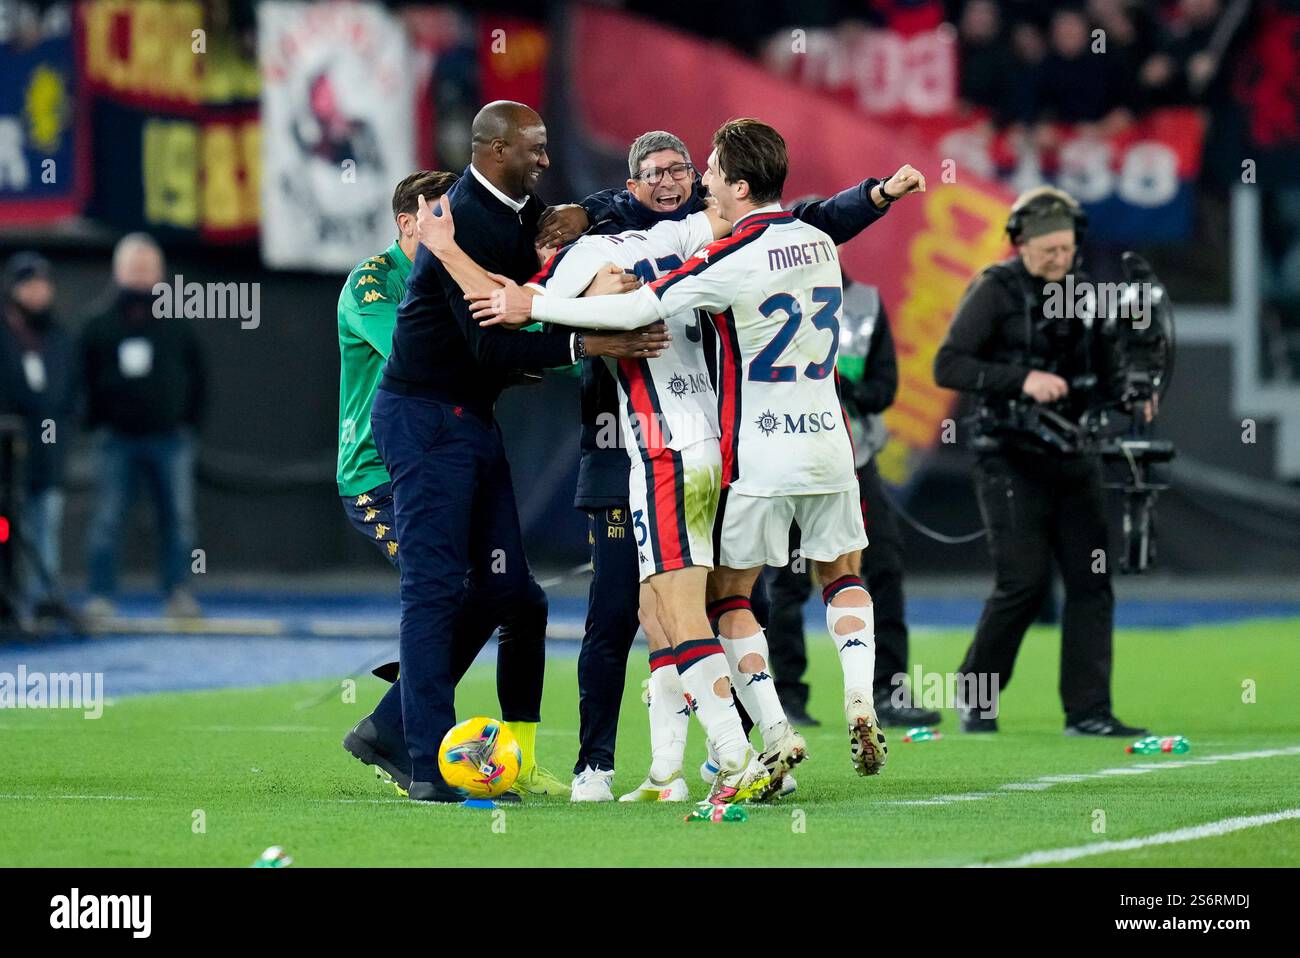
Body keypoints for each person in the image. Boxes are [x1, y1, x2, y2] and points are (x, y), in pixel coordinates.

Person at [475, 118, 926, 788]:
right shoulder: (761, 240)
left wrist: (531, 299)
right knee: (814, 578)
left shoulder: (675, 249)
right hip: (801, 444)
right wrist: (879, 196)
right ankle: (770, 731)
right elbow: (810, 218)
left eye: (698, 171)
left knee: (677, 607)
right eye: (659, 175)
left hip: (681, 448)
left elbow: (629, 310)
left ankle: (741, 753)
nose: (690, 183)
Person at [363, 100, 668, 803]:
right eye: (534, 148)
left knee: (510, 592)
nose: (546, 159)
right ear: (494, 149)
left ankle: (388, 723)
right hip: (424, 417)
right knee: (433, 589)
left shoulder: (524, 215)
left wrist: (587, 213)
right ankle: (428, 762)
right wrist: (593, 341)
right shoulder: (458, 219)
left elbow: (544, 288)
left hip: (470, 418)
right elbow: (490, 343)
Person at [335, 170, 581, 800]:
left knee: (519, 598)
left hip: (449, 449)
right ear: (406, 223)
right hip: (381, 474)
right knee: (448, 590)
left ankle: (427, 734)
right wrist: (527, 345)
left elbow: (494, 339)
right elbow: (420, 355)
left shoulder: (455, 271)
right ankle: (418, 745)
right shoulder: (374, 281)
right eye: (438, 216)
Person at [933, 185, 1148, 737]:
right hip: (1009, 457)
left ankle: (1089, 712)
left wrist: (1131, 393)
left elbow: (1107, 376)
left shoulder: (1085, 297)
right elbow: (949, 365)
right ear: (1020, 245)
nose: (1059, 260)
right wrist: (1022, 380)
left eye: (1067, 250)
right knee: (1023, 582)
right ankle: (976, 693)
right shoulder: (994, 289)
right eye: (1048, 250)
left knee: (1092, 581)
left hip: (1074, 456)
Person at [761, 271, 941, 730]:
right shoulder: (762, 292)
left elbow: (885, 389)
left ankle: (889, 690)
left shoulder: (865, 301)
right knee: (786, 581)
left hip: (855, 459)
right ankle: (786, 695)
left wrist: (838, 386)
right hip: (789, 460)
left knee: (882, 567)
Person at [80, 234, 206, 621]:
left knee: (179, 520)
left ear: (161, 273)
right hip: (116, 439)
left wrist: (187, 425)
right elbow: (82, 381)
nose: (141, 274)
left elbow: (200, 380)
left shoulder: (178, 324)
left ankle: (179, 593)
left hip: (170, 440)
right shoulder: (97, 324)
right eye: (134, 267)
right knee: (106, 519)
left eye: (148, 267)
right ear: (118, 271)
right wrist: (99, 420)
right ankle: (101, 596)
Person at [0, 252, 77, 620]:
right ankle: (11, 598)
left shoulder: (59, 336)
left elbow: (70, 393)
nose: (37, 292)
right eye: (29, 285)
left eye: (43, 285)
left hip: (47, 453)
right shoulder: (5, 335)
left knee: (46, 525)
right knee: (7, 532)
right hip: (7, 455)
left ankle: (46, 597)